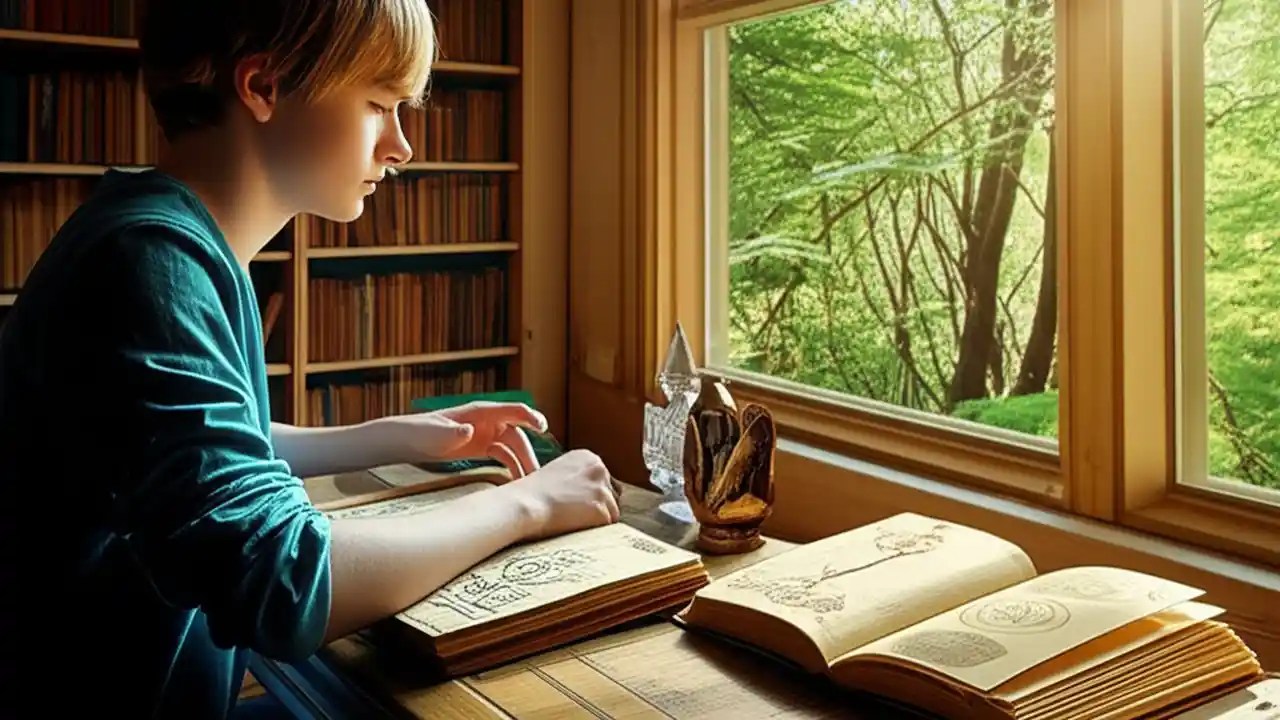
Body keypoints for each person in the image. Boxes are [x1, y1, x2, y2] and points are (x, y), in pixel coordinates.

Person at [0, 1, 620, 718]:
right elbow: (281, 581)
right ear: (263, 87)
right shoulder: (152, 264)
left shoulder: (161, 236)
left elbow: (196, 454)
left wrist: (393, 436)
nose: (401, 147)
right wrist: (527, 504)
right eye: (379, 105)